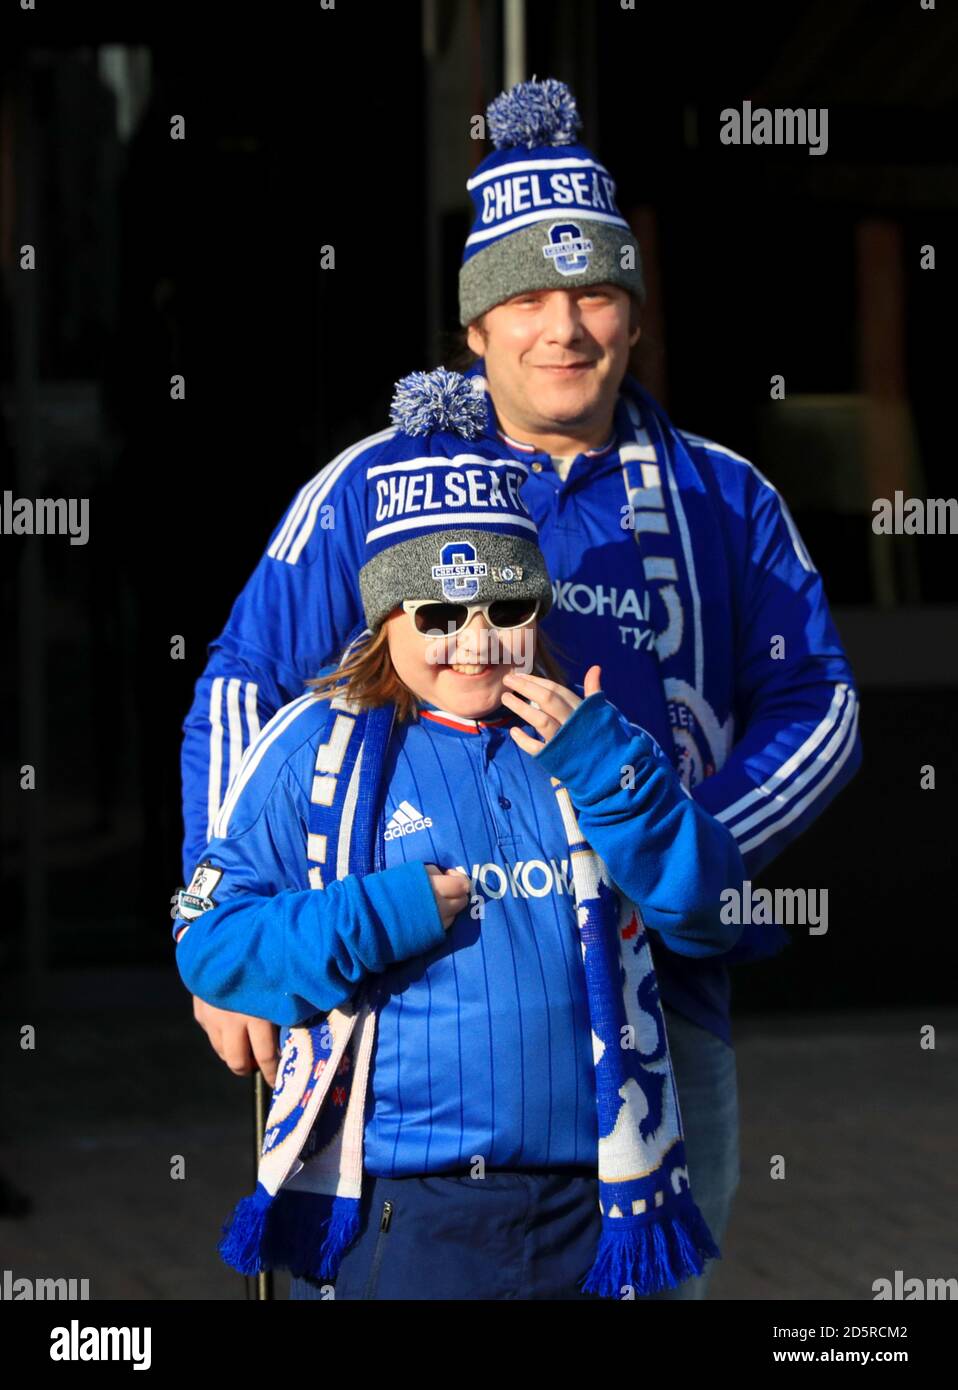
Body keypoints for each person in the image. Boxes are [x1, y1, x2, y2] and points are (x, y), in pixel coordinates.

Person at [176, 77, 862, 1298]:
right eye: (525, 299)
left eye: (594, 292)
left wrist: (689, 851)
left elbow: (819, 702)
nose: (565, 328)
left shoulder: (725, 495)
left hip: (660, 1010)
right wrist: (218, 926)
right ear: (473, 330)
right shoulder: (370, 485)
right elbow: (243, 684)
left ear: (636, 317)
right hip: (392, 1013)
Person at [171, 395, 748, 1300]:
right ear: (385, 616)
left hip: (592, 1207)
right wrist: (380, 913)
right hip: (408, 1211)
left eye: (505, 603)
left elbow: (710, 915)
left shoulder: (589, 737)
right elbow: (211, 945)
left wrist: (609, 772)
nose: (475, 641)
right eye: (437, 613)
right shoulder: (311, 748)